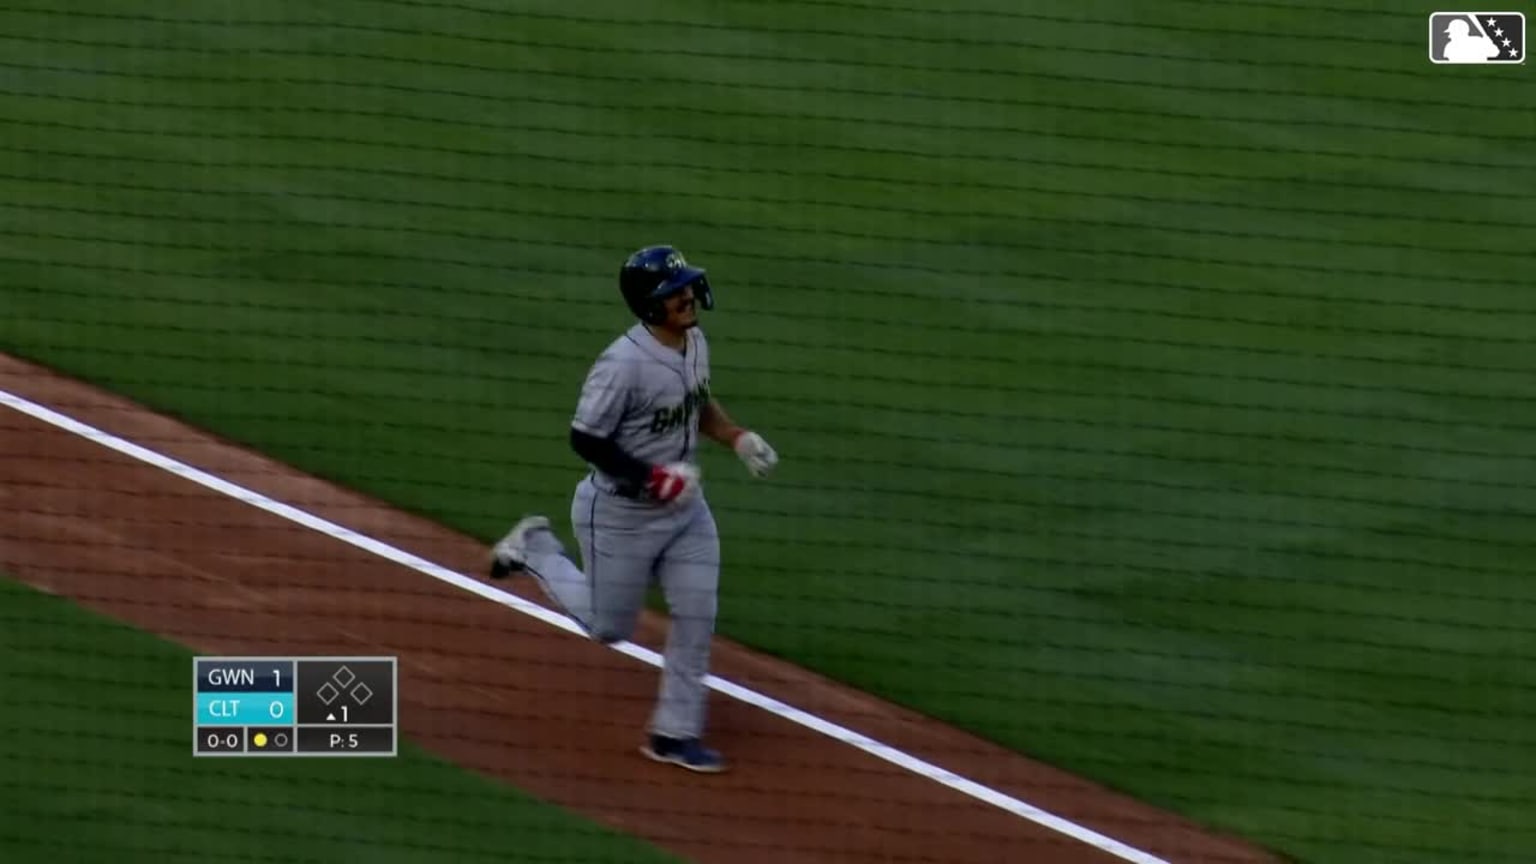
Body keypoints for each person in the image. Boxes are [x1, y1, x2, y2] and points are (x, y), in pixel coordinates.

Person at [487, 244, 778, 773]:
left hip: (686, 512)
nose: (687, 295)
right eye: (674, 291)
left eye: (687, 285)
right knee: (608, 628)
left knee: (697, 612)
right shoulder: (622, 365)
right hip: (619, 515)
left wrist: (736, 437)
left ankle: (673, 734)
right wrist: (652, 478)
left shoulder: (694, 342)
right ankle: (535, 548)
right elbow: (586, 439)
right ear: (649, 305)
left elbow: (696, 403)